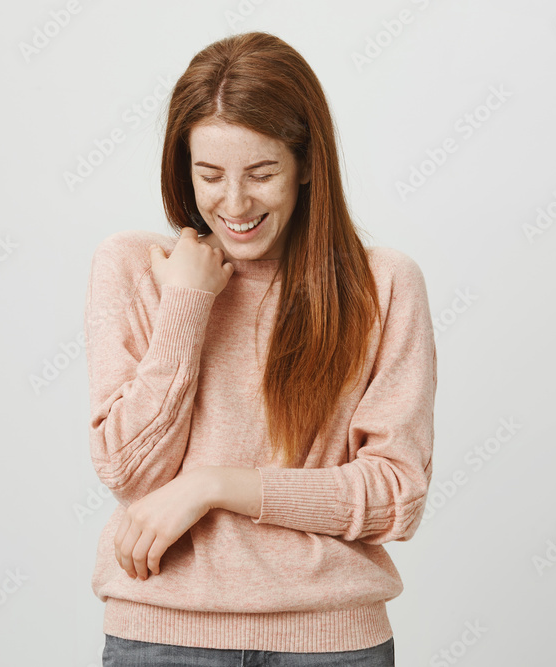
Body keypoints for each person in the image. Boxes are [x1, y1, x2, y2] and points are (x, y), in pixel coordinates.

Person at [84, 31, 436, 667]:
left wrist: (216, 487)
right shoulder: (138, 268)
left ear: (306, 165)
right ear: (182, 168)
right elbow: (129, 473)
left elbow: (395, 497)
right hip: (162, 639)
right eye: (210, 176)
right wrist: (187, 306)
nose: (235, 204)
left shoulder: (382, 285)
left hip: (330, 645)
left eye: (263, 173)